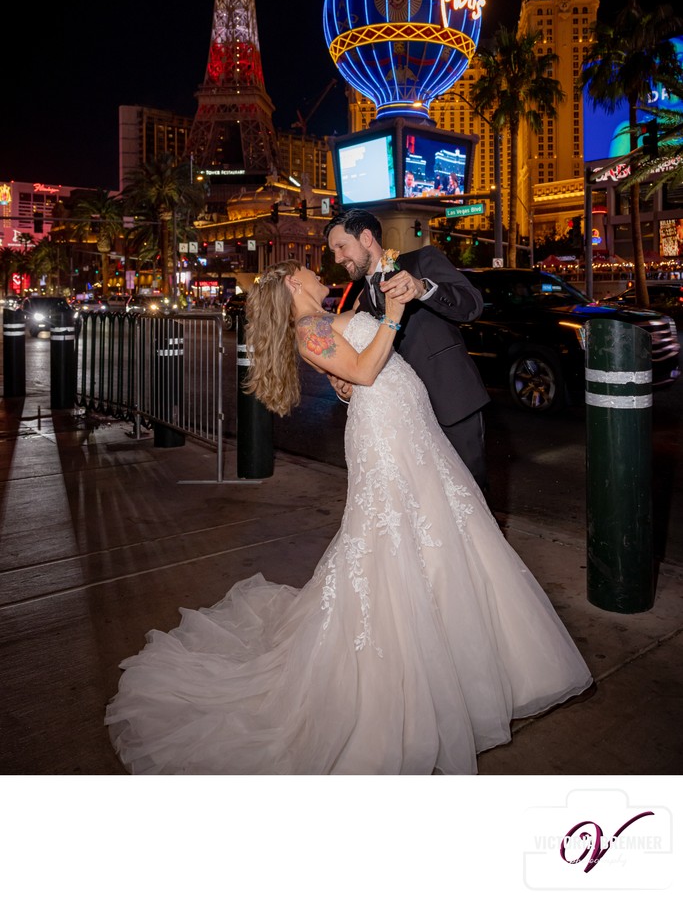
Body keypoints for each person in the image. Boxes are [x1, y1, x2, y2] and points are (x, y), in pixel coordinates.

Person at [105, 260, 593, 776]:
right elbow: (362, 370)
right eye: (307, 270)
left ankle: (468, 661)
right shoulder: (308, 326)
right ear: (294, 285)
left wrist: (366, 341)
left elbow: (350, 371)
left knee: (444, 532)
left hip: (410, 430)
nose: (318, 271)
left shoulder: (327, 318)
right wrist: (393, 318)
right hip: (387, 439)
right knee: (392, 542)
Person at [324, 207, 490, 493]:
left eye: (341, 247)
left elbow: (472, 305)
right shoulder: (360, 301)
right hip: (403, 416)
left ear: (365, 238)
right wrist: (345, 383)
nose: (337, 258)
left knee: (469, 496)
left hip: (450, 401)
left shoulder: (422, 260)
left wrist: (423, 288)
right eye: (333, 251)